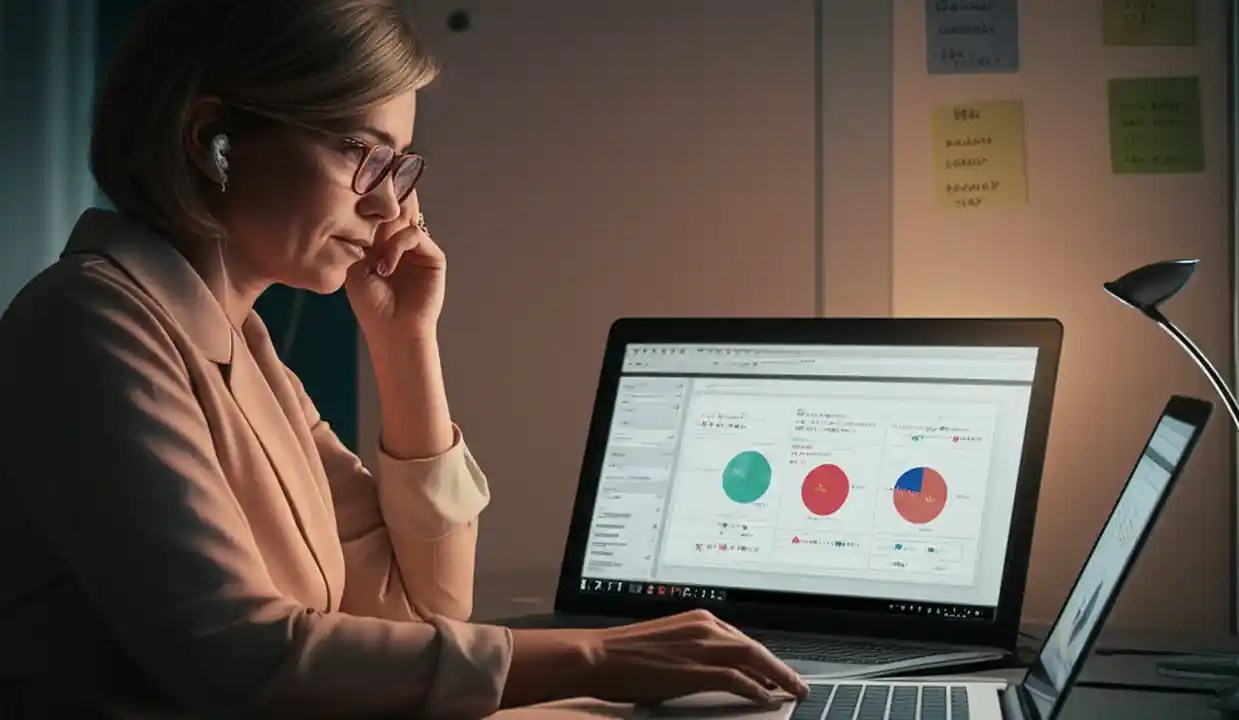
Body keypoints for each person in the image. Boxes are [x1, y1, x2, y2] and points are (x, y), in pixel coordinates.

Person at [0, 0, 808, 717]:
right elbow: (239, 656)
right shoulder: (89, 324)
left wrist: (405, 342)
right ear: (213, 138)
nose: (387, 203)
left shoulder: (247, 351)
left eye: (398, 165)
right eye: (360, 150)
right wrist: (599, 657)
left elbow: (423, 615)